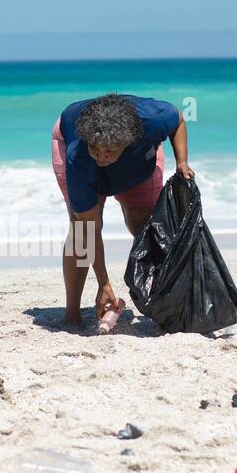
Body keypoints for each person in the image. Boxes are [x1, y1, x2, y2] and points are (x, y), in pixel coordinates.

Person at [51, 93, 193, 327]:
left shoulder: (152, 120)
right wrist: (103, 283)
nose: (101, 158)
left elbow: (178, 119)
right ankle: (72, 314)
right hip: (73, 144)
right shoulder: (80, 155)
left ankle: (166, 298)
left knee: (145, 223)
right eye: (96, 150)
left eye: (109, 152)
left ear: (127, 143)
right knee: (80, 231)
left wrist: (182, 161)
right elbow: (89, 228)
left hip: (138, 162)